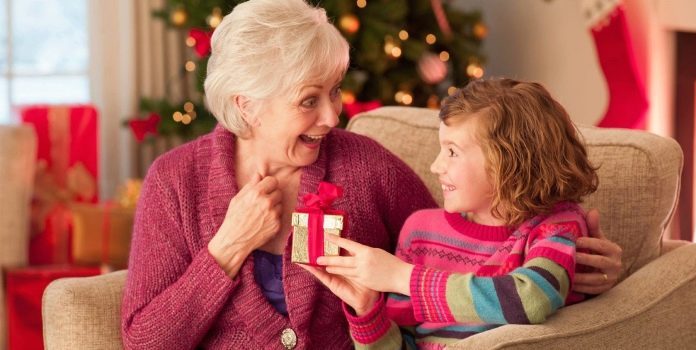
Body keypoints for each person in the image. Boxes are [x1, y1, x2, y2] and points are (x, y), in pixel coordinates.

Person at [121, 0, 621, 349]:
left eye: (334, 91)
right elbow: (144, 341)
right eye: (308, 101)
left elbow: (467, 241)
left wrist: (578, 266)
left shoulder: (366, 166)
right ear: (246, 105)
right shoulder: (175, 182)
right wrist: (225, 249)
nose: (333, 117)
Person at [304, 78, 609, 349]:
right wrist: (368, 310)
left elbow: (530, 299)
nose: (436, 166)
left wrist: (402, 277)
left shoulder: (556, 226)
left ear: (508, 162)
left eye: (452, 151)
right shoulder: (420, 231)